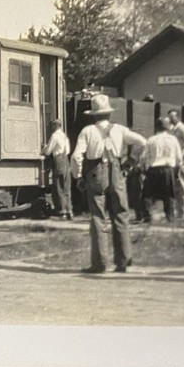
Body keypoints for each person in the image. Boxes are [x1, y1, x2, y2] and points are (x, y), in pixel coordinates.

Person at [71, 94, 146, 274]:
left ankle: (100, 263)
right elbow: (142, 143)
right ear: (109, 114)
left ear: (94, 115)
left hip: (95, 175)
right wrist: (130, 163)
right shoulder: (120, 129)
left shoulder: (87, 131)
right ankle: (123, 261)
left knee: (98, 217)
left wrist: (79, 177)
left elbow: (76, 156)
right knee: (121, 214)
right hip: (117, 173)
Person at [139, 118, 183, 223]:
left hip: (153, 169)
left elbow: (143, 157)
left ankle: (148, 216)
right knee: (169, 194)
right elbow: (179, 159)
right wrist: (176, 171)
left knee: (147, 195)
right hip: (168, 169)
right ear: (167, 128)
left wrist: (143, 169)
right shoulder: (173, 139)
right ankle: (170, 216)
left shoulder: (151, 140)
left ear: (156, 127)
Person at [41, 119, 72, 220]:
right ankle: (69, 211)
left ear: (54, 127)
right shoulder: (64, 136)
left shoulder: (55, 136)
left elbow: (48, 151)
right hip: (66, 160)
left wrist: (43, 149)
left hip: (58, 161)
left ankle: (62, 212)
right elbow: (68, 150)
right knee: (66, 187)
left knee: (59, 186)